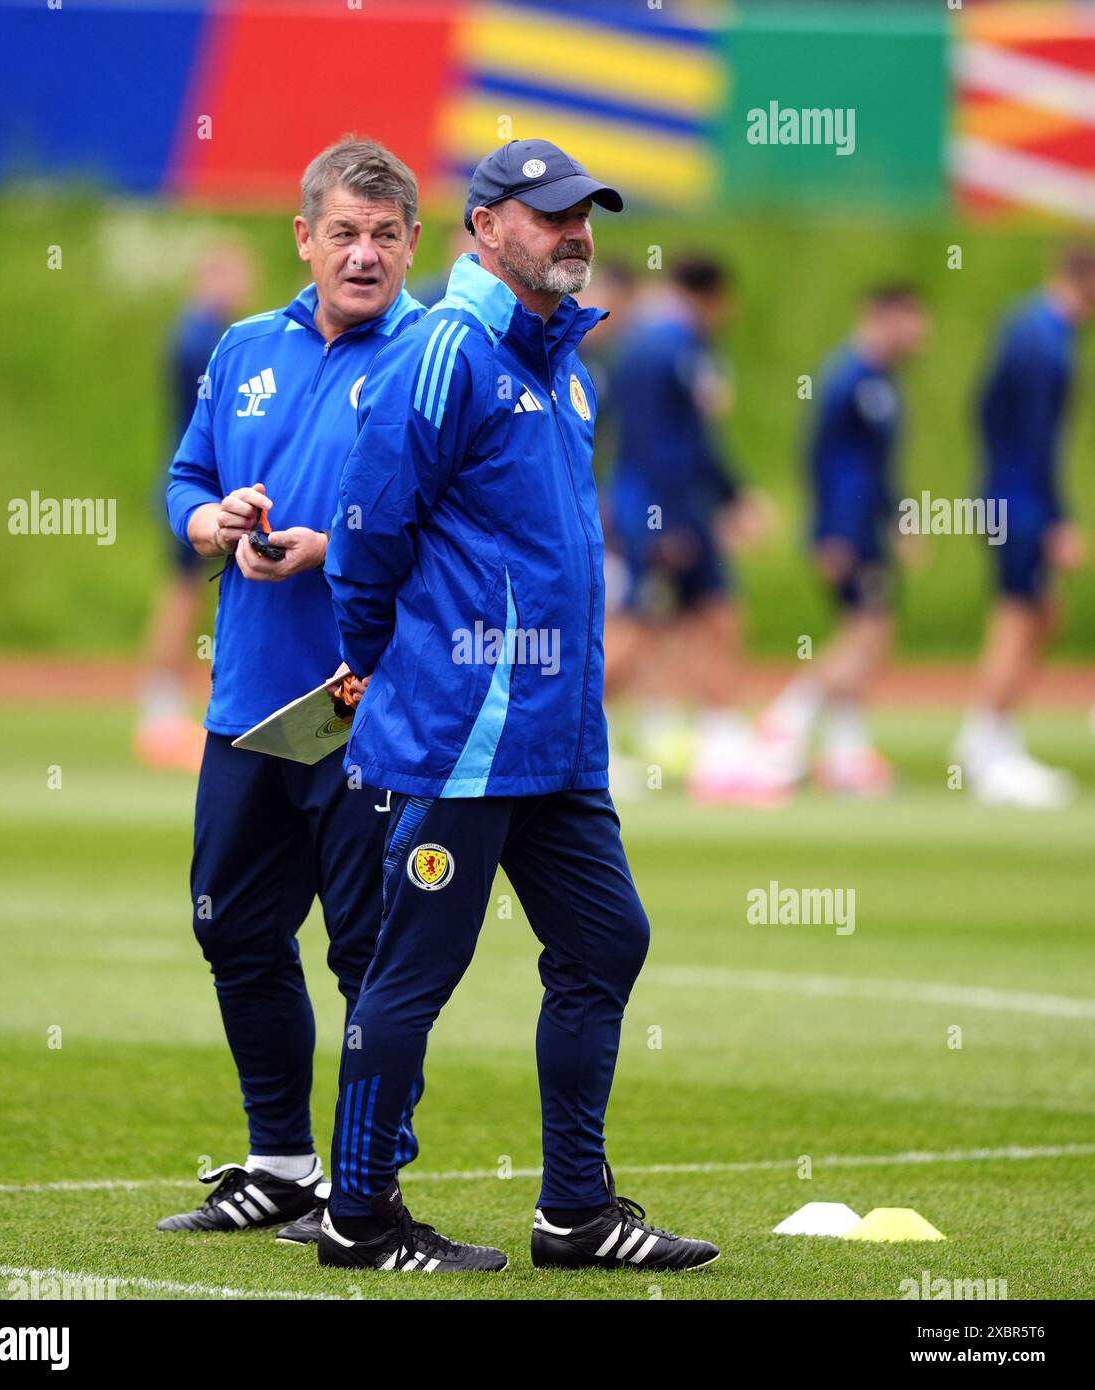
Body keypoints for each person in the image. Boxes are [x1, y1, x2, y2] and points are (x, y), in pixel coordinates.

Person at [318, 138, 721, 1274]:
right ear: (485, 224)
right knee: (413, 972)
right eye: (549, 214)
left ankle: (574, 1212)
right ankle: (358, 1215)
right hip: (464, 735)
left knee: (607, 940)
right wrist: (378, 665)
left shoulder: (563, 362)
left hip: (557, 736)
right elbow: (365, 533)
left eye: (585, 213)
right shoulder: (447, 350)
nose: (575, 232)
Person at [157, 138, 427, 1240]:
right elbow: (187, 475)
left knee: (370, 957)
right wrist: (210, 521)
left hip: (368, 711)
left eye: (385, 235)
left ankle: (365, 1191)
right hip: (251, 712)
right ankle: (280, 1163)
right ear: (304, 238)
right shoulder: (240, 347)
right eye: (344, 232)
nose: (363, 255)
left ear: (412, 244)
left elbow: (458, 532)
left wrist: (336, 552)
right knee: (231, 928)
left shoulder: (430, 359)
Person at [602, 257, 776, 803]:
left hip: (668, 505)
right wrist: (671, 520)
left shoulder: (643, 344)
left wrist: (726, 498)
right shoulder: (673, 349)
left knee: (718, 615)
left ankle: (723, 745)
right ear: (714, 297)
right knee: (637, 627)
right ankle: (570, 737)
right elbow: (665, 443)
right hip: (662, 509)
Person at [760, 284, 928, 796]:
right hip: (847, 532)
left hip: (867, 529)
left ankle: (845, 752)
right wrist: (831, 532)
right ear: (882, 316)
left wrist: (900, 520)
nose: (922, 332)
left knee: (871, 635)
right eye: (912, 319)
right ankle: (783, 724)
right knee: (866, 635)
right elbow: (819, 459)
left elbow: (881, 467)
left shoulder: (883, 381)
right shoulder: (846, 378)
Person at [953, 247, 1095, 808]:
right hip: (1021, 500)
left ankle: (988, 737)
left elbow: (983, 408)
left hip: (1008, 492)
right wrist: (1055, 517)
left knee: (1040, 612)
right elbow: (1037, 440)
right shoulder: (1046, 340)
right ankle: (989, 748)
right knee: (1019, 613)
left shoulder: (1025, 327)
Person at [135, 242, 257, 772]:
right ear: (212, 277)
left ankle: (165, 709)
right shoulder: (200, 338)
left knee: (187, 593)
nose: (244, 285)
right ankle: (158, 713)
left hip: (193, 478)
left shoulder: (201, 333)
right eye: (236, 274)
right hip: (194, 484)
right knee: (181, 594)